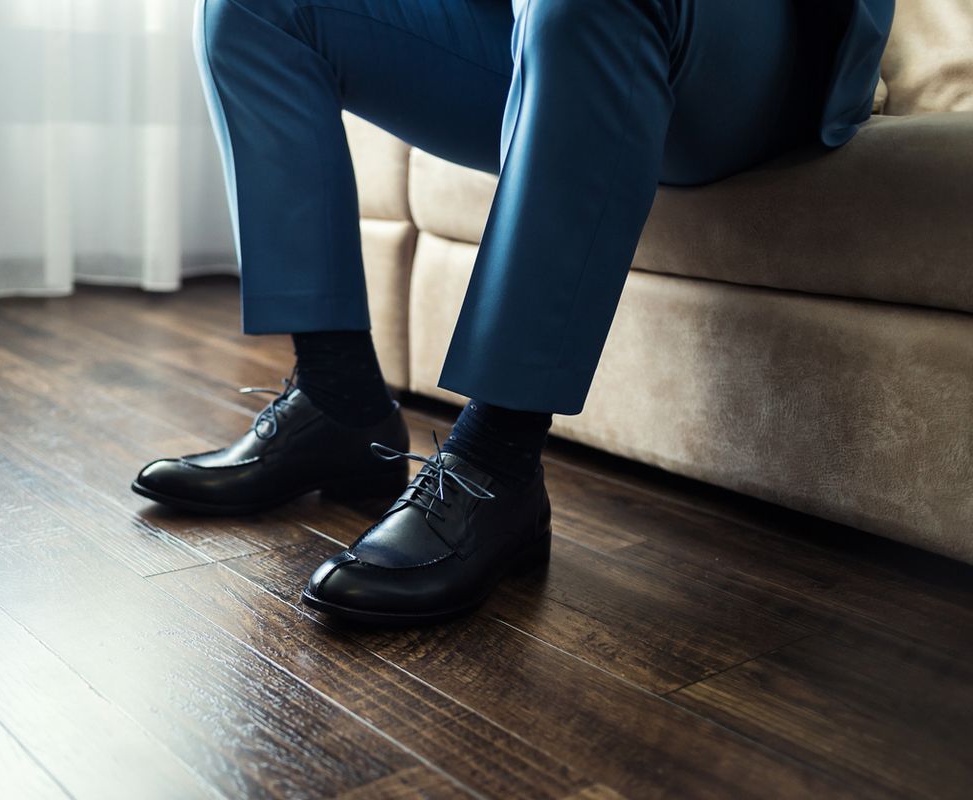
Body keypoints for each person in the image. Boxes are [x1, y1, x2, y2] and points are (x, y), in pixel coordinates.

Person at [132, 0, 895, 625]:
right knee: (254, 10)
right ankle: (339, 399)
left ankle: (495, 464)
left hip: (753, 51)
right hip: (541, 26)